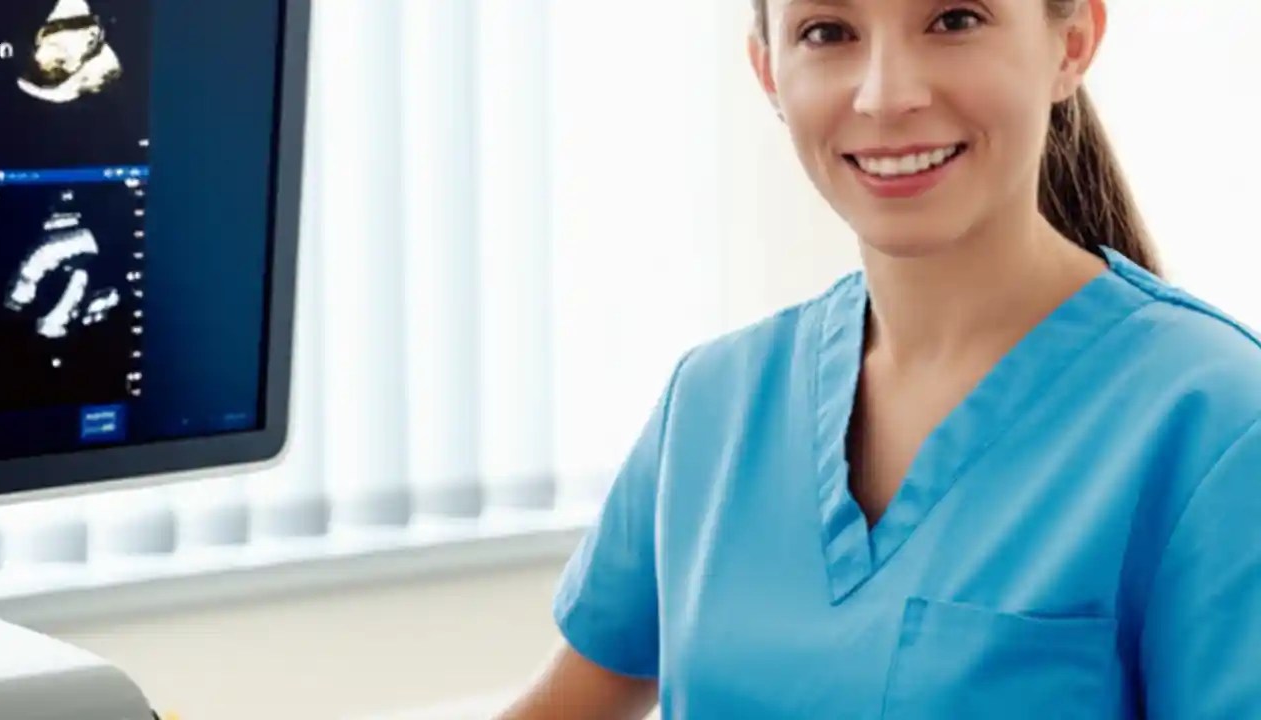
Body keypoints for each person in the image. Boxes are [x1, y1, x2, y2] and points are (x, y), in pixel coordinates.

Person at [500, 0, 1261, 717]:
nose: (885, 95)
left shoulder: (1218, 423)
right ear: (768, 70)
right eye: (828, 32)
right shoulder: (712, 405)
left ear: (1073, 41)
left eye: (954, 19)